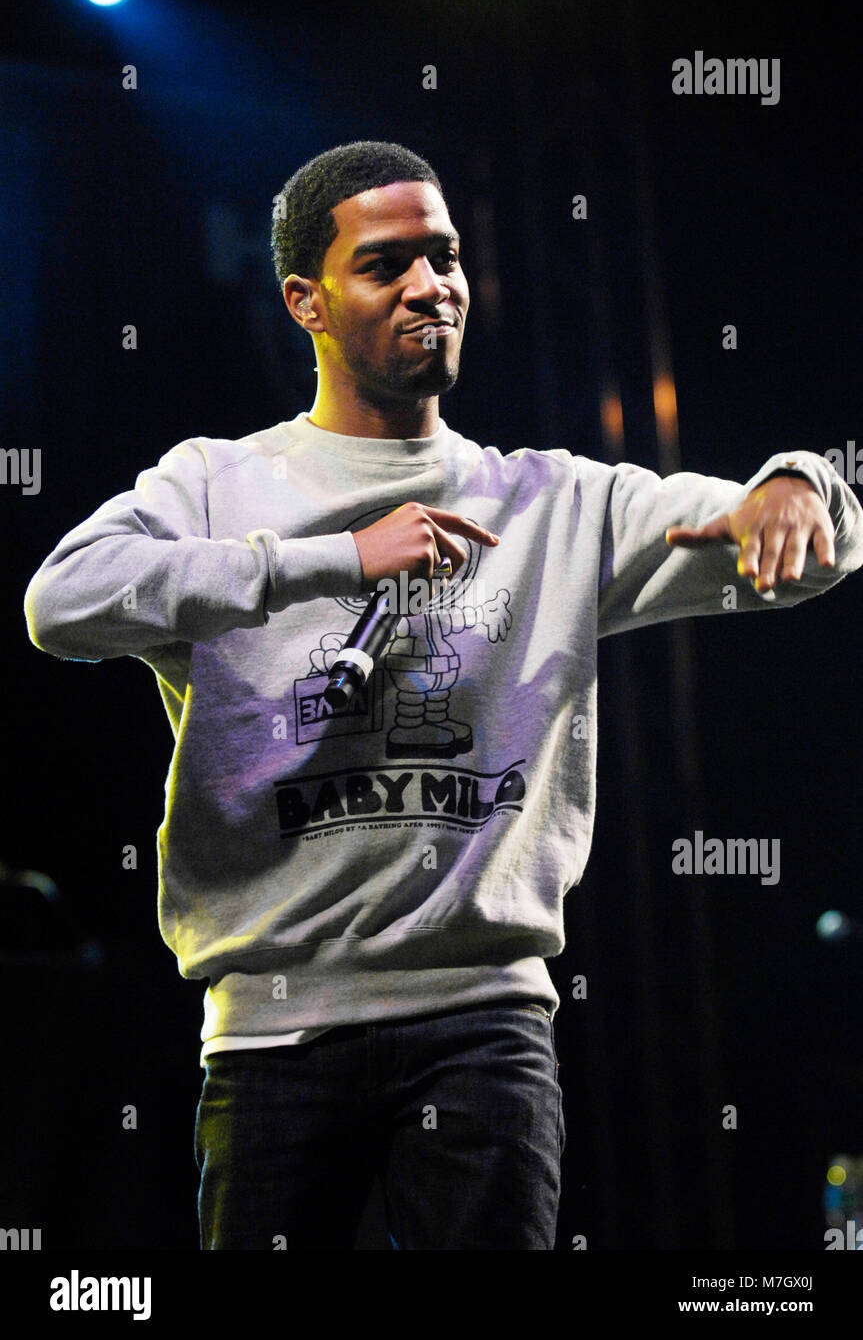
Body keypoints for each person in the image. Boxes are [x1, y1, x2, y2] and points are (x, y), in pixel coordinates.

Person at [23, 141, 863, 1251]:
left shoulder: (552, 501)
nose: (432, 286)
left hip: (485, 1022)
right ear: (304, 300)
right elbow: (60, 602)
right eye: (387, 265)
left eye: (445, 256)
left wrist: (801, 486)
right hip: (274, 1031)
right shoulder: (215, 483)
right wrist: (328, 560)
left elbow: (795, 532)